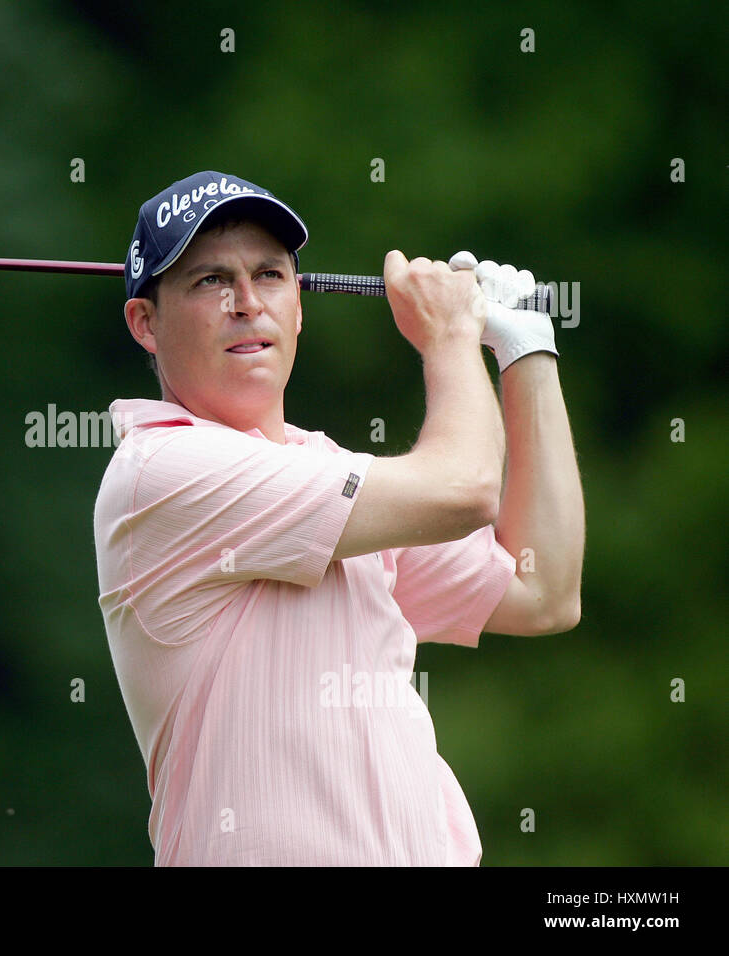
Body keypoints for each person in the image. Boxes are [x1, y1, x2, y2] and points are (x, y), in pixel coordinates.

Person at [93, 170, 584, 865]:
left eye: (269, 275)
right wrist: (449, 336)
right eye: (209, 281)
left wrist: (527, 351)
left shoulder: (330, 475)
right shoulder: (162, 472)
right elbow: (464, 488)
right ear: (147, 323)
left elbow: (543, 592)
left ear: (299, 306)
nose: (245, 303)